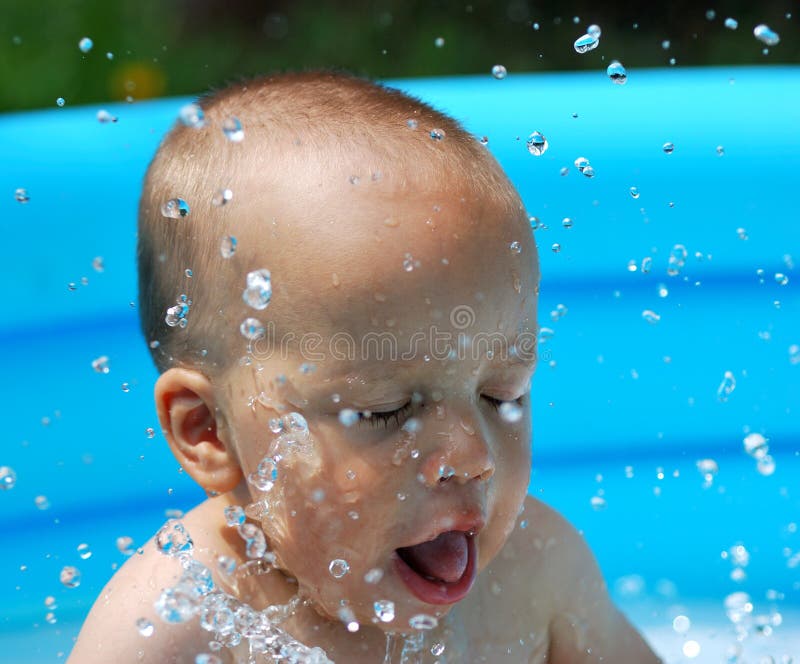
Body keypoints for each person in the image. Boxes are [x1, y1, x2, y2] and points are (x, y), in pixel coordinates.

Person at [68, 71, 661, 663]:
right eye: (386, 410)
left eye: (501, 395)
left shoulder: (537, 574)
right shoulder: (173, 628)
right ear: (209, 430)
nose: (471, 456)